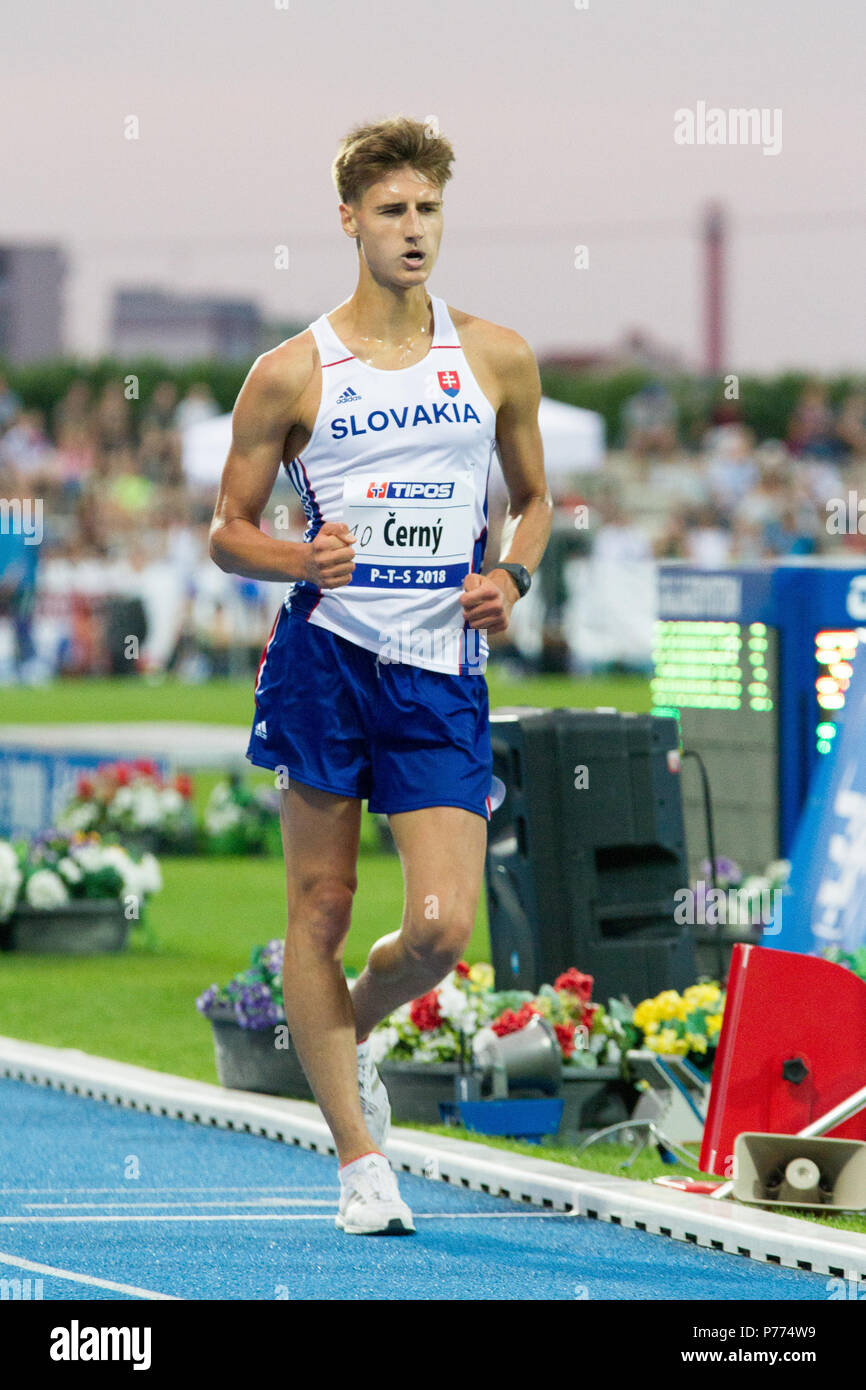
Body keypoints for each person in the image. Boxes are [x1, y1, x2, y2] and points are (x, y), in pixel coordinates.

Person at [209, 115, 551, 1235]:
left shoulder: (493, 354)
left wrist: (511, 571)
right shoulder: (292, 370)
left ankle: (336, 1036)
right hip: (325, 660)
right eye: (392, 211)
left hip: (437, 668)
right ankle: (361, 1165)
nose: (413, 230)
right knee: (321, 905)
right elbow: (226, 530)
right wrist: (293, 556)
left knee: (444, 929)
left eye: (428, 210)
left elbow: (534, 501)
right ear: (348, 219)